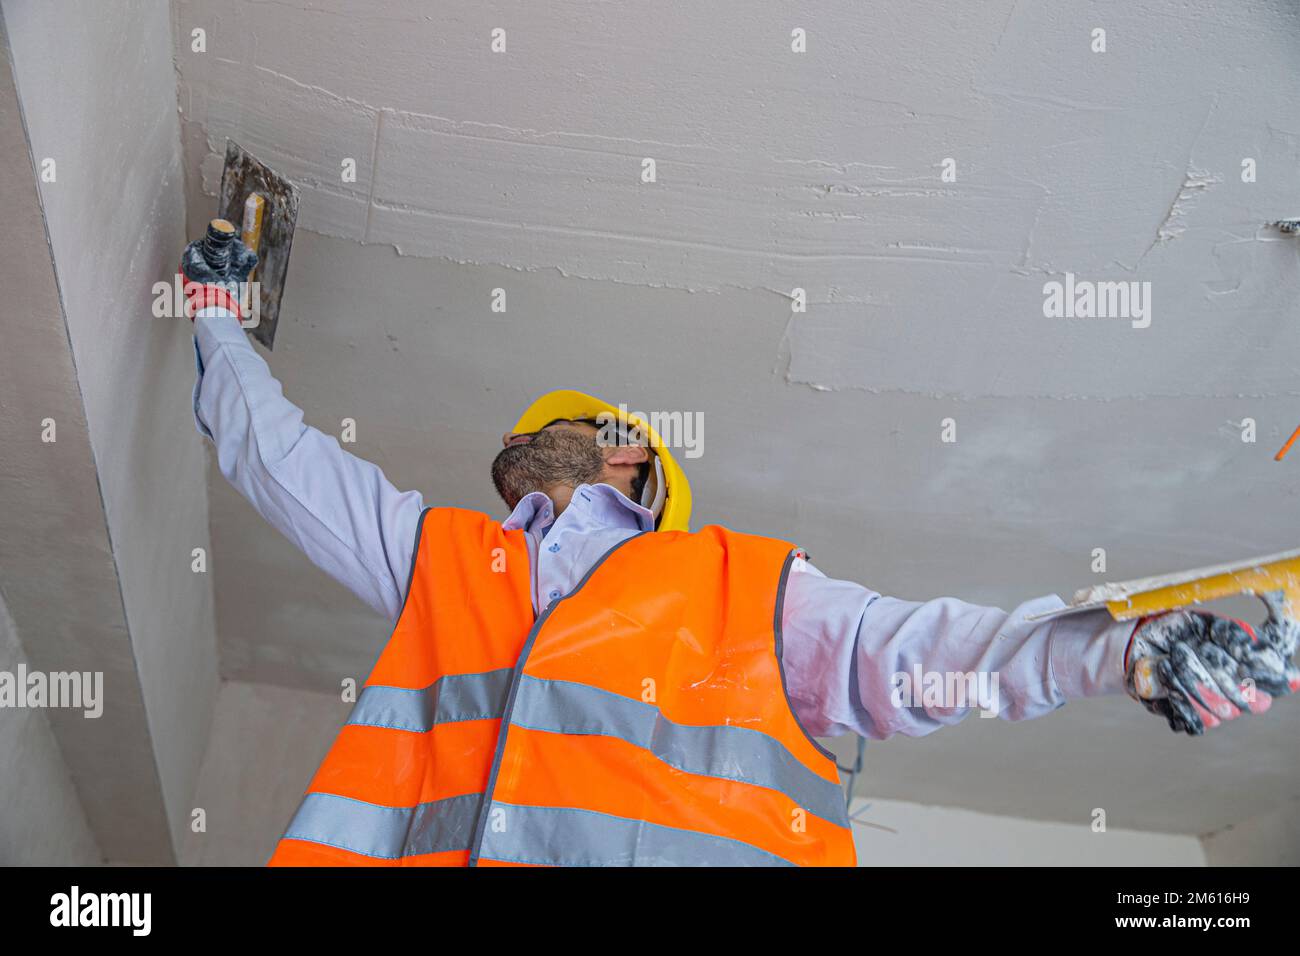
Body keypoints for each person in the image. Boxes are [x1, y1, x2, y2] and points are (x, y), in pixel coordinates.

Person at [179, 256, 1299, 867]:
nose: (524, 439)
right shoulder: (452, 560)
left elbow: (920, 654)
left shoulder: (745, 586)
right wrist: (217, 316)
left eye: (562, 424)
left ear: (632, 463)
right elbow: (278, 461)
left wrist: (1126, 650)